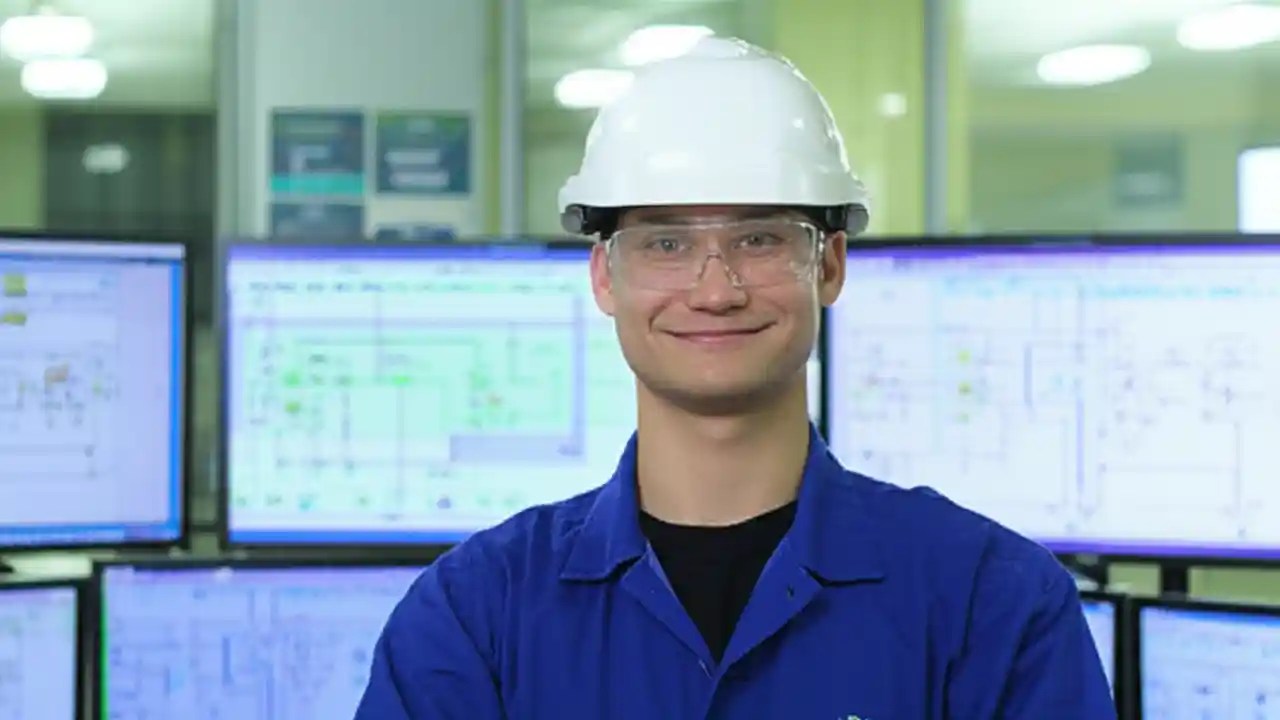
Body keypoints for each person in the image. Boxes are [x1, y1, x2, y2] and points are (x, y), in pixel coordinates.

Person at [355, 37, 1115, 719]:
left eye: (759, 239)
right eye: (666, 245)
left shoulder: (993, 603)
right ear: (604, 277)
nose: (716, 290)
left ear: (830, 265)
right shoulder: (475, 615)